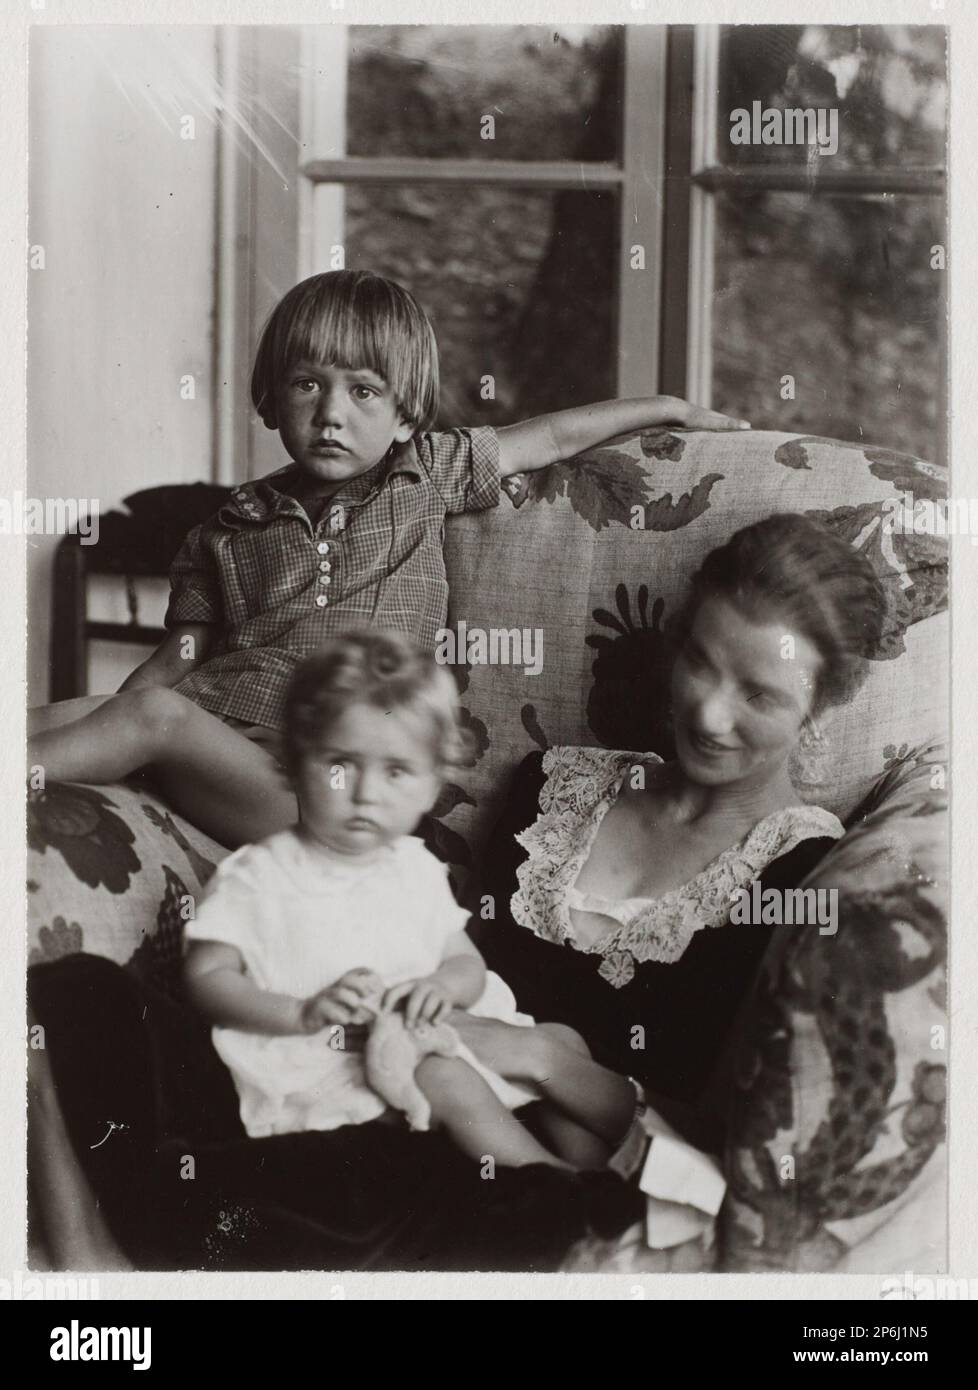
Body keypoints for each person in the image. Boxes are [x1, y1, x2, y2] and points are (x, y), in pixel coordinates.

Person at [27, 269, 748, 849]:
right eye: (307, 384)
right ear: (272, 401)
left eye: (363, 391)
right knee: (91, 710)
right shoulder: (228, 527)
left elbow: (552, 437)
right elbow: (178, 659)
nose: (331, 413)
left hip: (323, 786)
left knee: (151, 717)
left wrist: (667, 407)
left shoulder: (424, 474)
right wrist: (113, 714)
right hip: (214, 749)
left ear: (406, 414)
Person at [466, 513, 887, 1153]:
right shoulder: (548, 791)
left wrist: (541, 1059)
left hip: (594, 1214)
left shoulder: (805, 879)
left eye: (760, 695)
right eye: (700, 661)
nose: (709, 715)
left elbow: (731, 1142)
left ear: (818, 710)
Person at [182, 630, 638, 1171]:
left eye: (395, 771)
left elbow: (464, 962)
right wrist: (301, 1012)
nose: (366, 793)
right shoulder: (260, 875)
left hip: (423, 1035)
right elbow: (206, 979)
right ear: (294, 763)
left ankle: (600, 1178)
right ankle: (551, 1187)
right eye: (340, 766)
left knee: (562, 1040)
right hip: (330, 1058)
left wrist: (440, 986)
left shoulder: (415, 868)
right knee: (446, 1075)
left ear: (429, 787)